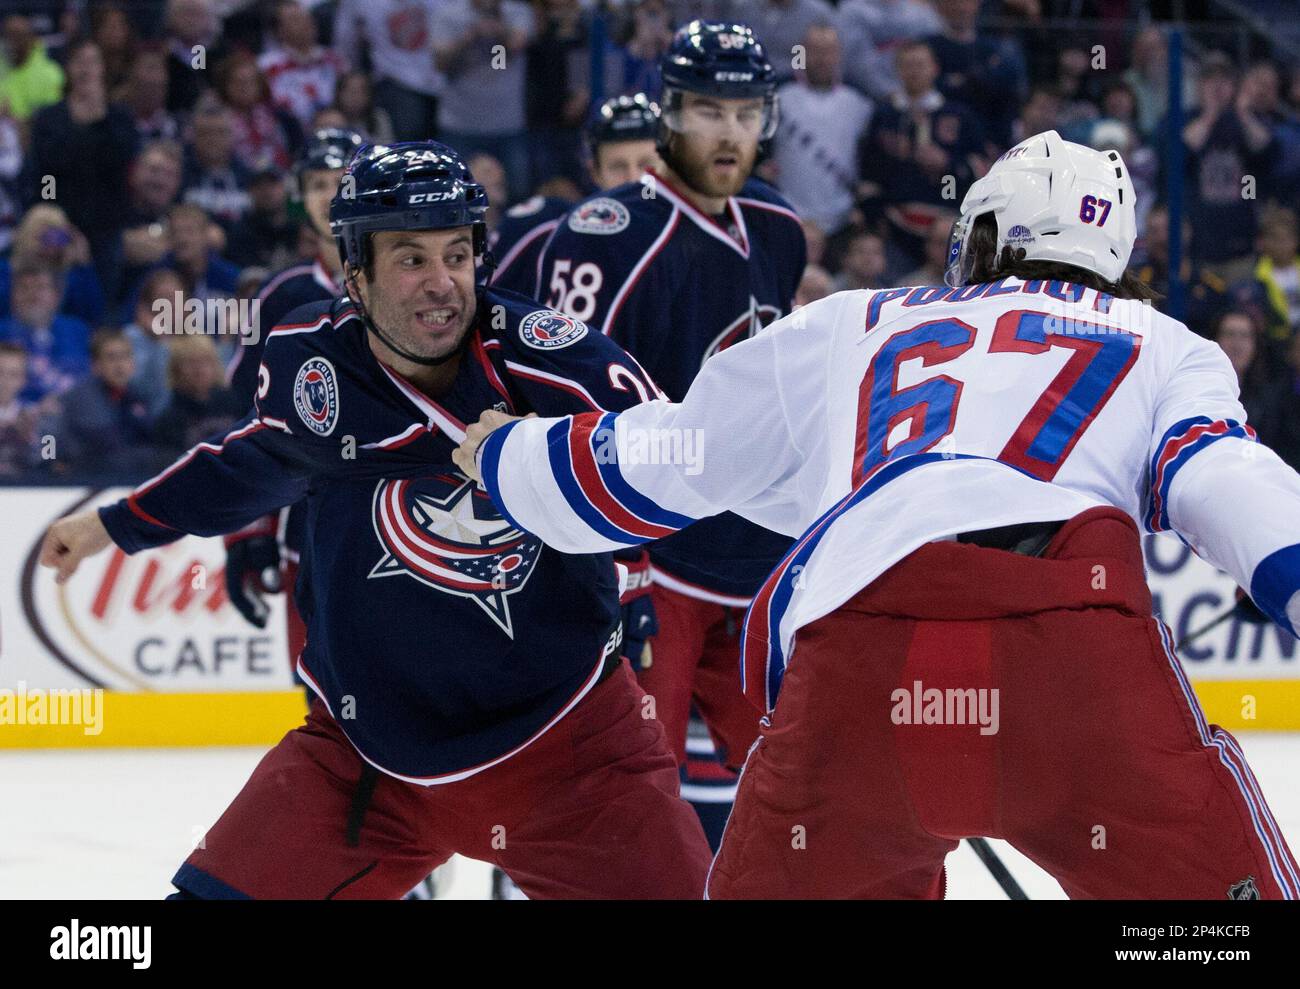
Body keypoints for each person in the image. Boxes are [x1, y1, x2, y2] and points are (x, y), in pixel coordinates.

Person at [459, 129, 1300, 899]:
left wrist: (509, 459)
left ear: (982, 236)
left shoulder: (853, 319)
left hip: (859, 672)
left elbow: (667, 458)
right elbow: (1222, 477)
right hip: (1073, 661)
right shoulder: (1161, 341)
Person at [39, 140, 710, 900]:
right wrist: (117, 524)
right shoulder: (311, 364)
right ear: (354, 274)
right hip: (364, 763)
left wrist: (553, 464)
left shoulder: (555, 365)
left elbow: (675, 465)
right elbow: (255, 464)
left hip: (571, 760)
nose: (441, 283)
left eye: (457, 255)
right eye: (411, 260)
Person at [534, 20, 806, 850]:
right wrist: (615, 567)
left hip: (757, 565)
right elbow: (562, 413)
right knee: (629, 803)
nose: (729, 132)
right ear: (669, 116)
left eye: (746, 112)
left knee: (807, 788)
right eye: (707, 111)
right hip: (653, 564)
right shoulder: (601, 237)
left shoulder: (780, 229)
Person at [489, 93, 661, 297]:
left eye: (646, 165)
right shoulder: (544, 229)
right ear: (594, 172)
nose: (633, 179)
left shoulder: (694, 238)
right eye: (617, 167)